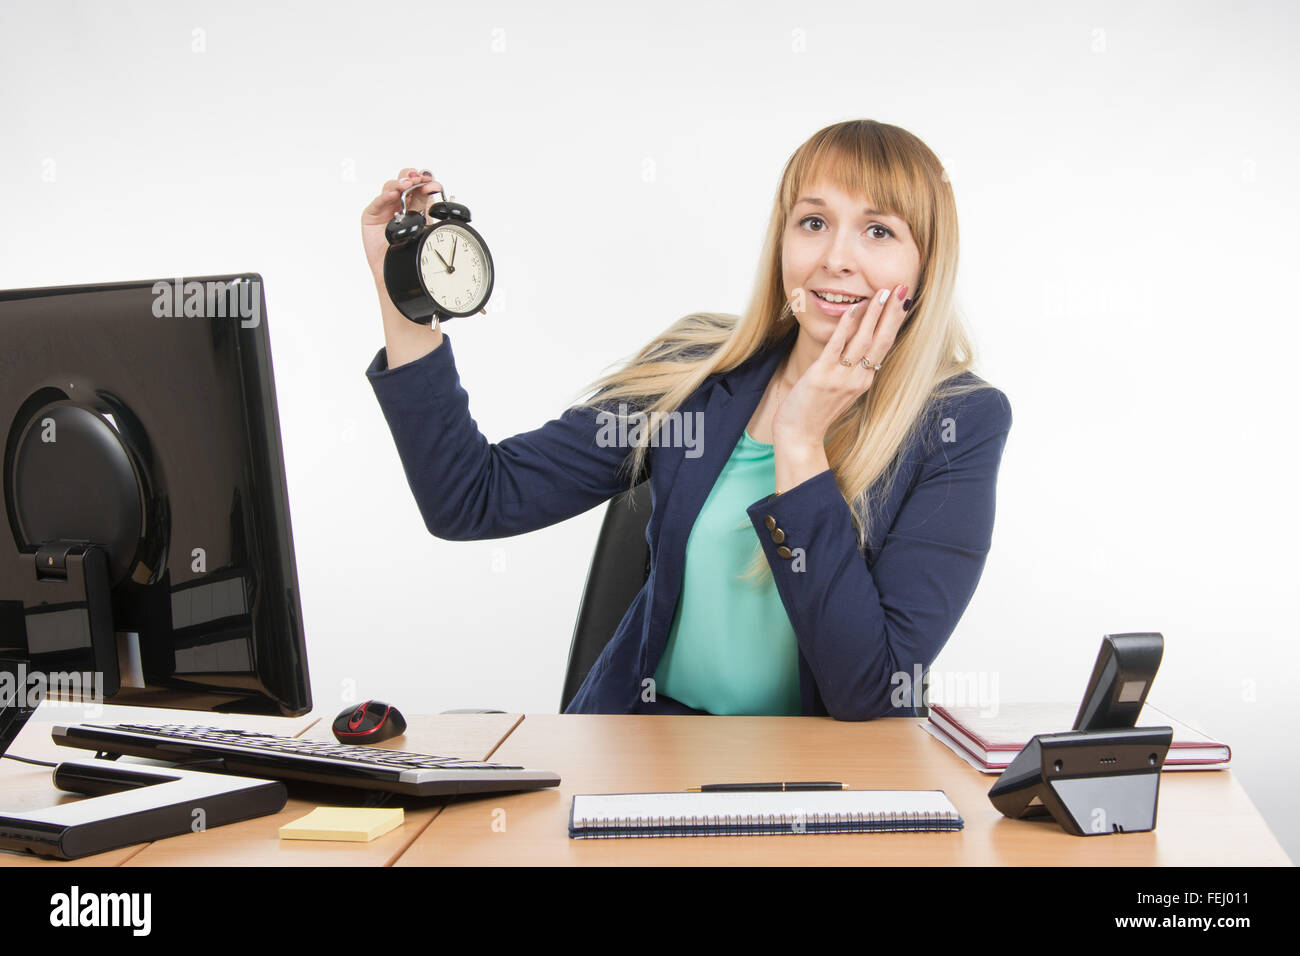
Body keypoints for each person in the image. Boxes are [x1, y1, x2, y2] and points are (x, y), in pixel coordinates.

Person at [360, 119, 1012, 720]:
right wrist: (406, 298)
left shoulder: (957, 424)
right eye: (813, 222)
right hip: (647, 753)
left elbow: (869, 693)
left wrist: (801, 440)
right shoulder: (699, 368)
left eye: (879, 231)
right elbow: (471, 499)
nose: (836, 258)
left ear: (925, 266)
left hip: (820, 787)